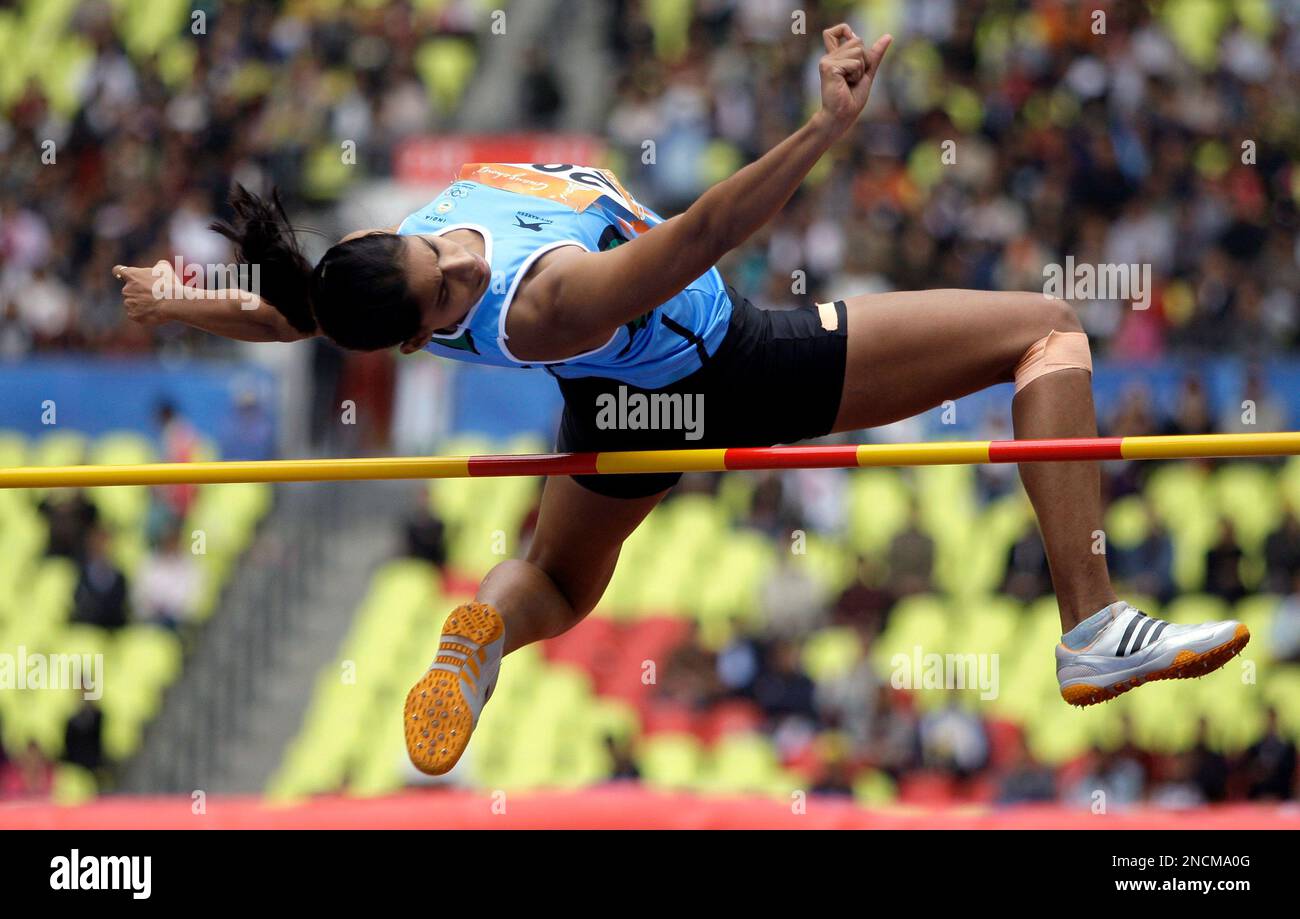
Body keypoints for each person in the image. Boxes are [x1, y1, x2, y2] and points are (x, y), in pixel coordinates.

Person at [113, 24, 1249, 777]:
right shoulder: (542, 304)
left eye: (437, 263)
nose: (457, 273)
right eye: (443, 301)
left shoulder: (389, 248)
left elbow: (297, 306)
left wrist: (184, 299)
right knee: (1045, 330)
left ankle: (480, 634)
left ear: (377, 238)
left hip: (612, 414)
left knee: (555, 579)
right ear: (423, 334)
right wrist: (825, 129)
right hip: (732, 368)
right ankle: (1094, 626)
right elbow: (706, 232)